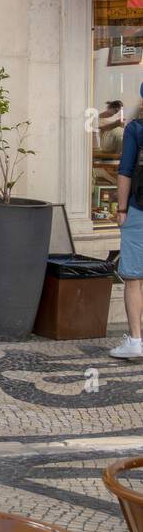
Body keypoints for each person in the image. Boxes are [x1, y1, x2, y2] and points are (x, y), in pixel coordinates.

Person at [113, 89, 143, 359]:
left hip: (139, 209)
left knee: (134, 277)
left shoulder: (136, 128)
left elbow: (125, 171)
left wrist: (121, 209)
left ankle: (136, 340)